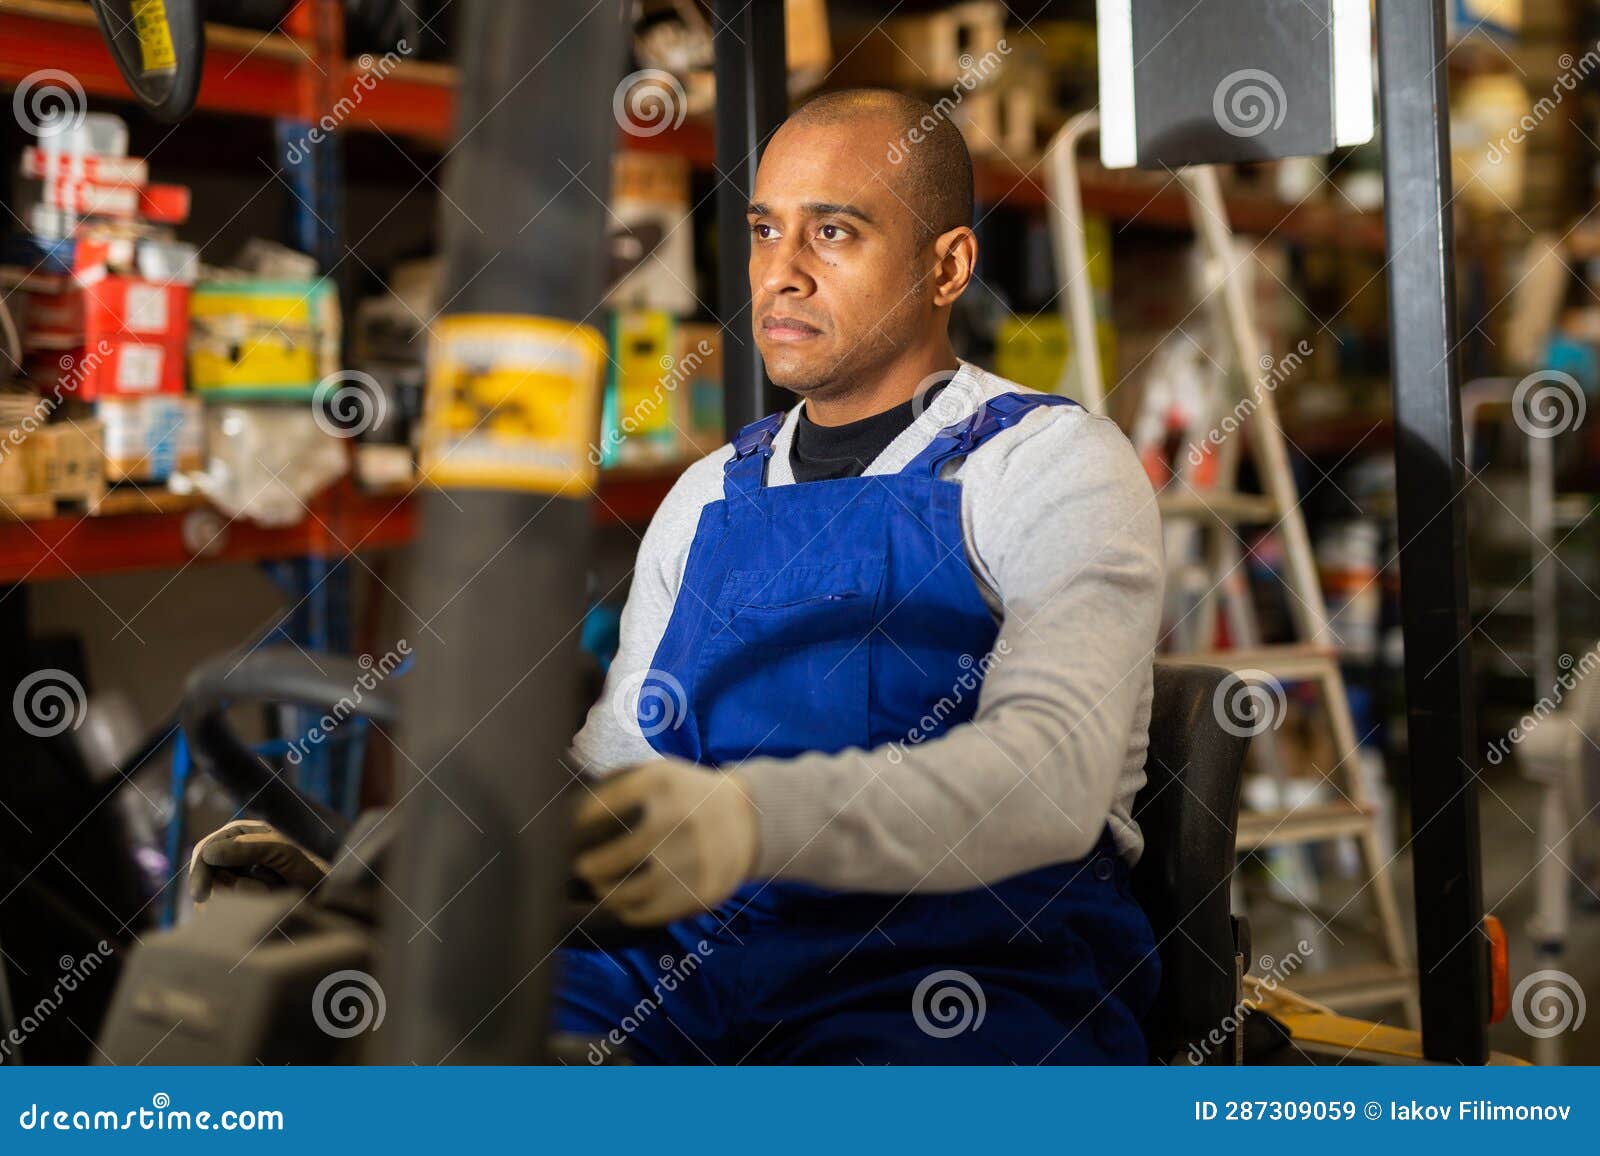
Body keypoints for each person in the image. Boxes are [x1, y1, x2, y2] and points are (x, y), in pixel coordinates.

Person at [191, 89, 1164, 1065]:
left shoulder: (1046, 465)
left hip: (964, 970)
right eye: (762, 231)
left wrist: (745, 821)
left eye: (833, 232)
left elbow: (1048, 779)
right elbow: (623, 769)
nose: (779, 276)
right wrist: (382, 880)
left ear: (947, 265)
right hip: (695, 960)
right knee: (421, 1040)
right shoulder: (710, 492)